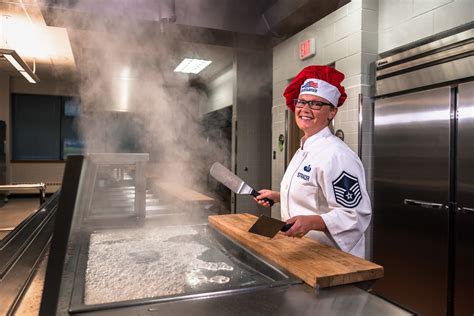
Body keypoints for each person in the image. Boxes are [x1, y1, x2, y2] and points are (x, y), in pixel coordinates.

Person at [255, 65, 371, 258]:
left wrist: (311, 222)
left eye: (316, 104)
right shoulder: (304, 149)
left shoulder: (337, 156)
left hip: (333, 259)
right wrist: (278, 196)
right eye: (301, 102)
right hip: (305, 251)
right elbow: (314, 197)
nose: (305, 109)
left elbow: (355, 215)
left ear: (332, 112)